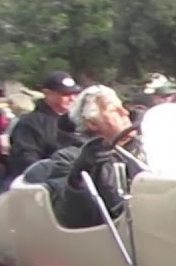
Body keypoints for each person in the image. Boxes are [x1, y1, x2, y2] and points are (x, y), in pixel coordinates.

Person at [50, 85, 145, 229]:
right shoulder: (69, 158)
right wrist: (79, 176)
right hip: (113, 239)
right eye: (113, 110)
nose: (125, 112)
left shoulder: (147, 148)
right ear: (92, 123)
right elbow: (68, 219)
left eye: (122, 107)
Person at [7, 71, 83, 178]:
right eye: (65, 94)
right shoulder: (30, 123)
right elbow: (25, 159)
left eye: (75, 94)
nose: (72, 98)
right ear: (48, 93)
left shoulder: (78, 120)